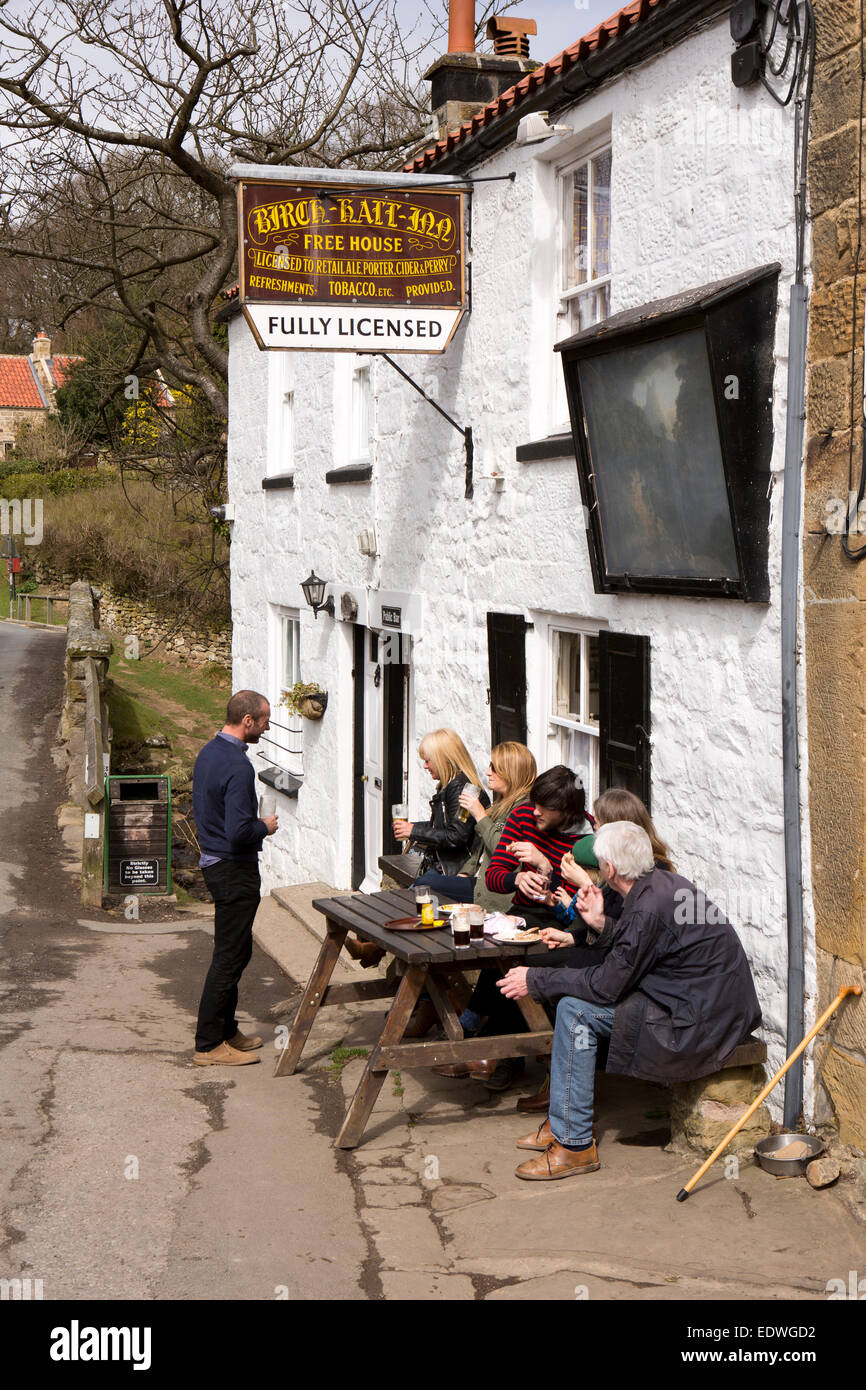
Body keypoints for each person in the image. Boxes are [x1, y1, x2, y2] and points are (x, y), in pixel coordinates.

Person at [497, 821, 762, 1181]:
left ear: (610, 868)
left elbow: (606, 986)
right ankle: (562, 1121)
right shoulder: (657, 887)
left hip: (698, 1020)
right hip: (701, 1003)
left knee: (575, 1011)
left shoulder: (650, 903)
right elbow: (642, 947)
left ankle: (573, 1146)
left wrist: (536, 979)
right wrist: (601, 922)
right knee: (574, 990)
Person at [516, 788, 675, 1113]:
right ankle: (549, 1074)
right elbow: (613, 926)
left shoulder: (644, 872)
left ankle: (564, 1079)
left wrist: (579, 887)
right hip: (620, 956)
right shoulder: (625, 868)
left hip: (640, 978)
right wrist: (573, 938)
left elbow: (627, 937)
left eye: (599, 824)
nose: (594, 833)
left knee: (552, 979)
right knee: (536, 964)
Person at [191, 690, 278, 1066]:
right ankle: (209, 1045)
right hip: (232, 868)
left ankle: (226, 1030)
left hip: (213, 862)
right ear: (247, 722)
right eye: (264, 720)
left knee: (237, 951)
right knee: (228, 957)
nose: (267, 726)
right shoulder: (239, 767)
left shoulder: (210, 752)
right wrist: (265, 826)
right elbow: (240, 831)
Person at [414, 741, 537, 912]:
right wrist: (465, 872)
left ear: (511, 773)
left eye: (494, 768)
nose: (488, 772)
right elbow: (481, 848)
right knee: (421, 886)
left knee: (424, 884)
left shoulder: (524, 809)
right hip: (477, 879)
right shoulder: (503, 803)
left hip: (492, 890)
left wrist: (480, 815)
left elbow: (505, 850)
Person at [392, 728, 488, 874]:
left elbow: (456, 836)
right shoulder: (451, 784)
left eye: (427, 761)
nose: (425, 766)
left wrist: (413, 831)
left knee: (415, 891)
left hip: (457, 870)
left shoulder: (459, 787)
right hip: (446, 864)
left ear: (442, 759)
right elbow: (443, 826)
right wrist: (411, 827)